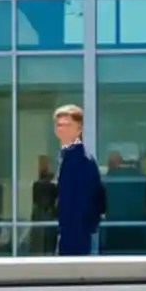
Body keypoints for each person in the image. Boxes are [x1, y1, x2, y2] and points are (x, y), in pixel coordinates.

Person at [52, 104, 103, 256]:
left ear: (79, 129)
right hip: (67, 230)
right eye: (59, 125)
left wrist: (83, 226)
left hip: (76, 232)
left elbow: (92, 198)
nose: (62, 129)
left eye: (68, 125)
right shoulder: (67, 156)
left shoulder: (81, 160)